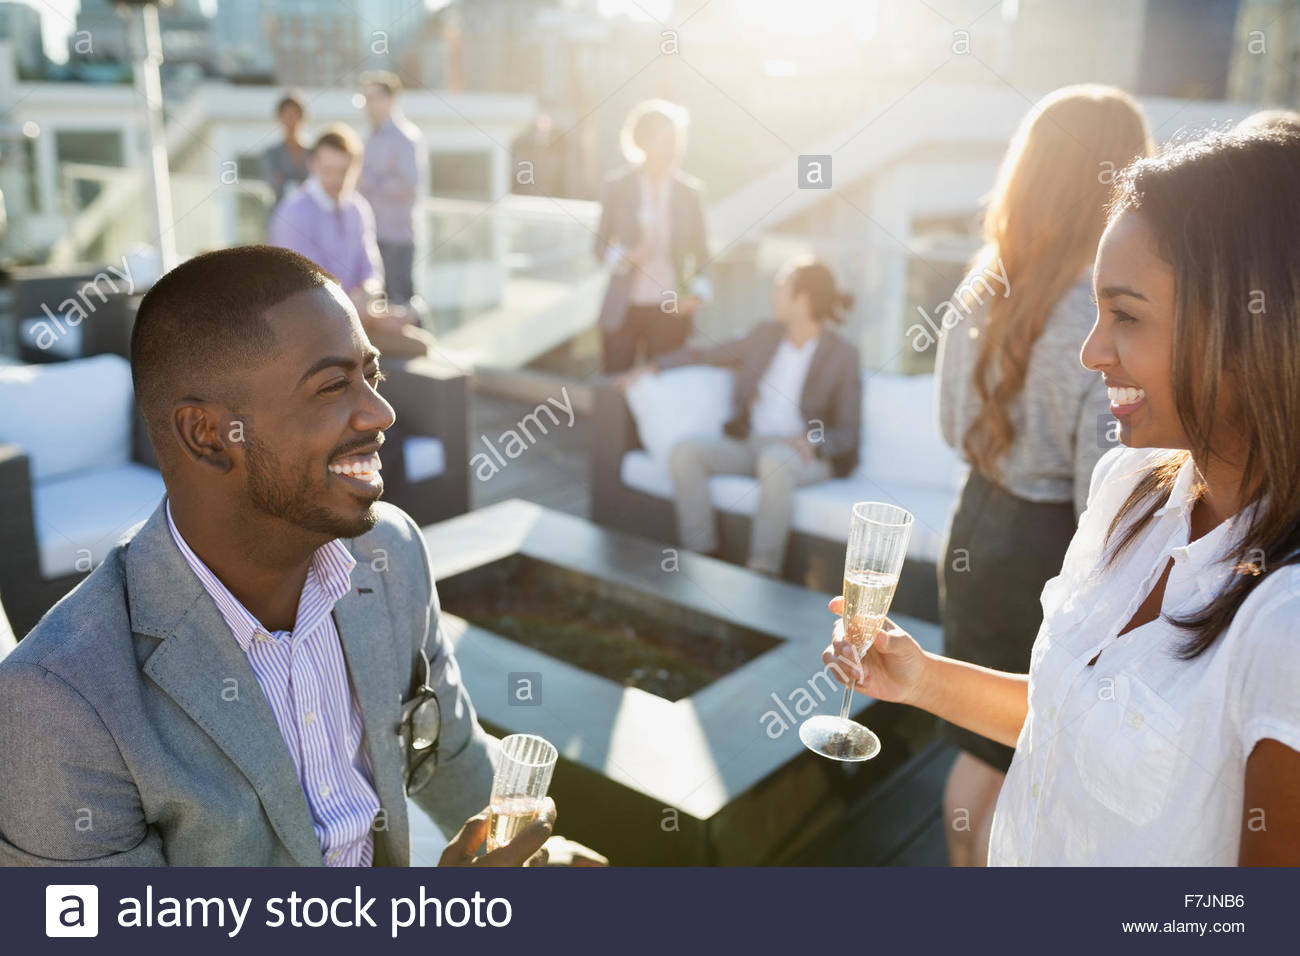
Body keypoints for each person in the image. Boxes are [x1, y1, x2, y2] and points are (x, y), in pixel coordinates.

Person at [0, 247, 603, 867]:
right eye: (332, 385)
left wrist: (539, 858)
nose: (380, 412)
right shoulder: (56, 708)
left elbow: (447, 757)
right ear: (207, 435)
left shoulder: (388, 553)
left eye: (373, 375)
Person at [822, 126, 1300, 866]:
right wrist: (923, 679)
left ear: (1251, 330)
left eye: (1127, 316)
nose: (1091, 351)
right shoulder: (1126, 490)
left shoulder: (1285, 623)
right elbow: (1068, 720)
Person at [932, 85, 1153, 866]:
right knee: (1013, 751)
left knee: (981, 745)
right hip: (1050, 546)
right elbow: (1110, 478)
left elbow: (950, 429)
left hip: (976, 524)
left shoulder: (980, 283)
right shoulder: (1103, 319)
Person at [622, 258, 860, 577]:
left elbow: (848, 431)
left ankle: (762, 572)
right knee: (685, 454)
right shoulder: (765, 335)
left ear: (802, 300)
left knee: (774, 462)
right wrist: (656, 365)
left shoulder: (842, 354)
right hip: (749, 444)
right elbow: (707, 353)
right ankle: (702, 556)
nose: (773, 295)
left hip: (802, 455)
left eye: (780, 288)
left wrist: (813, 441)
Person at [269, 124, 434, 360]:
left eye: (343, 171)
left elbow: (372, 271)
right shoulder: (292, 213)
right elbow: (306, 296)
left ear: (356, 168)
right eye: (328, 170)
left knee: (417, 328)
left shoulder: (358, 208)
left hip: (354, 318)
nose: (336, 179)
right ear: (312, 165)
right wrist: (368, 314)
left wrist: (369, 300)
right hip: (311, 335)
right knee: (418, 344)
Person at [594, 99, 712, 374]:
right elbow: (598, 246)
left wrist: (697, 292)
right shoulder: (617, 187)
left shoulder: (689, 193)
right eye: (665, 139)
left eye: (676, 139)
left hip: (670, 311)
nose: (673, 147)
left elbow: (702, 253)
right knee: (617, 386)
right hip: (624, 309)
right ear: (643, 141)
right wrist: (624, 258)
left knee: (664, 389)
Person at [359, 71, 424, 307]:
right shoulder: (369, 137)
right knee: (380, 304)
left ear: (390, 99)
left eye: (373, 97)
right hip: (373, 234)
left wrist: (370, 183)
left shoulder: (405, 137)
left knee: (400, 304)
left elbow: (409, 185)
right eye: (365, 98)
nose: (368, 104)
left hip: (397, 236)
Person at [261, 90, 310, 207]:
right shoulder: (271, 153)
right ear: (280, 118)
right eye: (287, 116)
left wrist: (285, 179)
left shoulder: (314, 152)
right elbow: (274, 184)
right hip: (280, 214)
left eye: (294, 115)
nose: (291, 121)